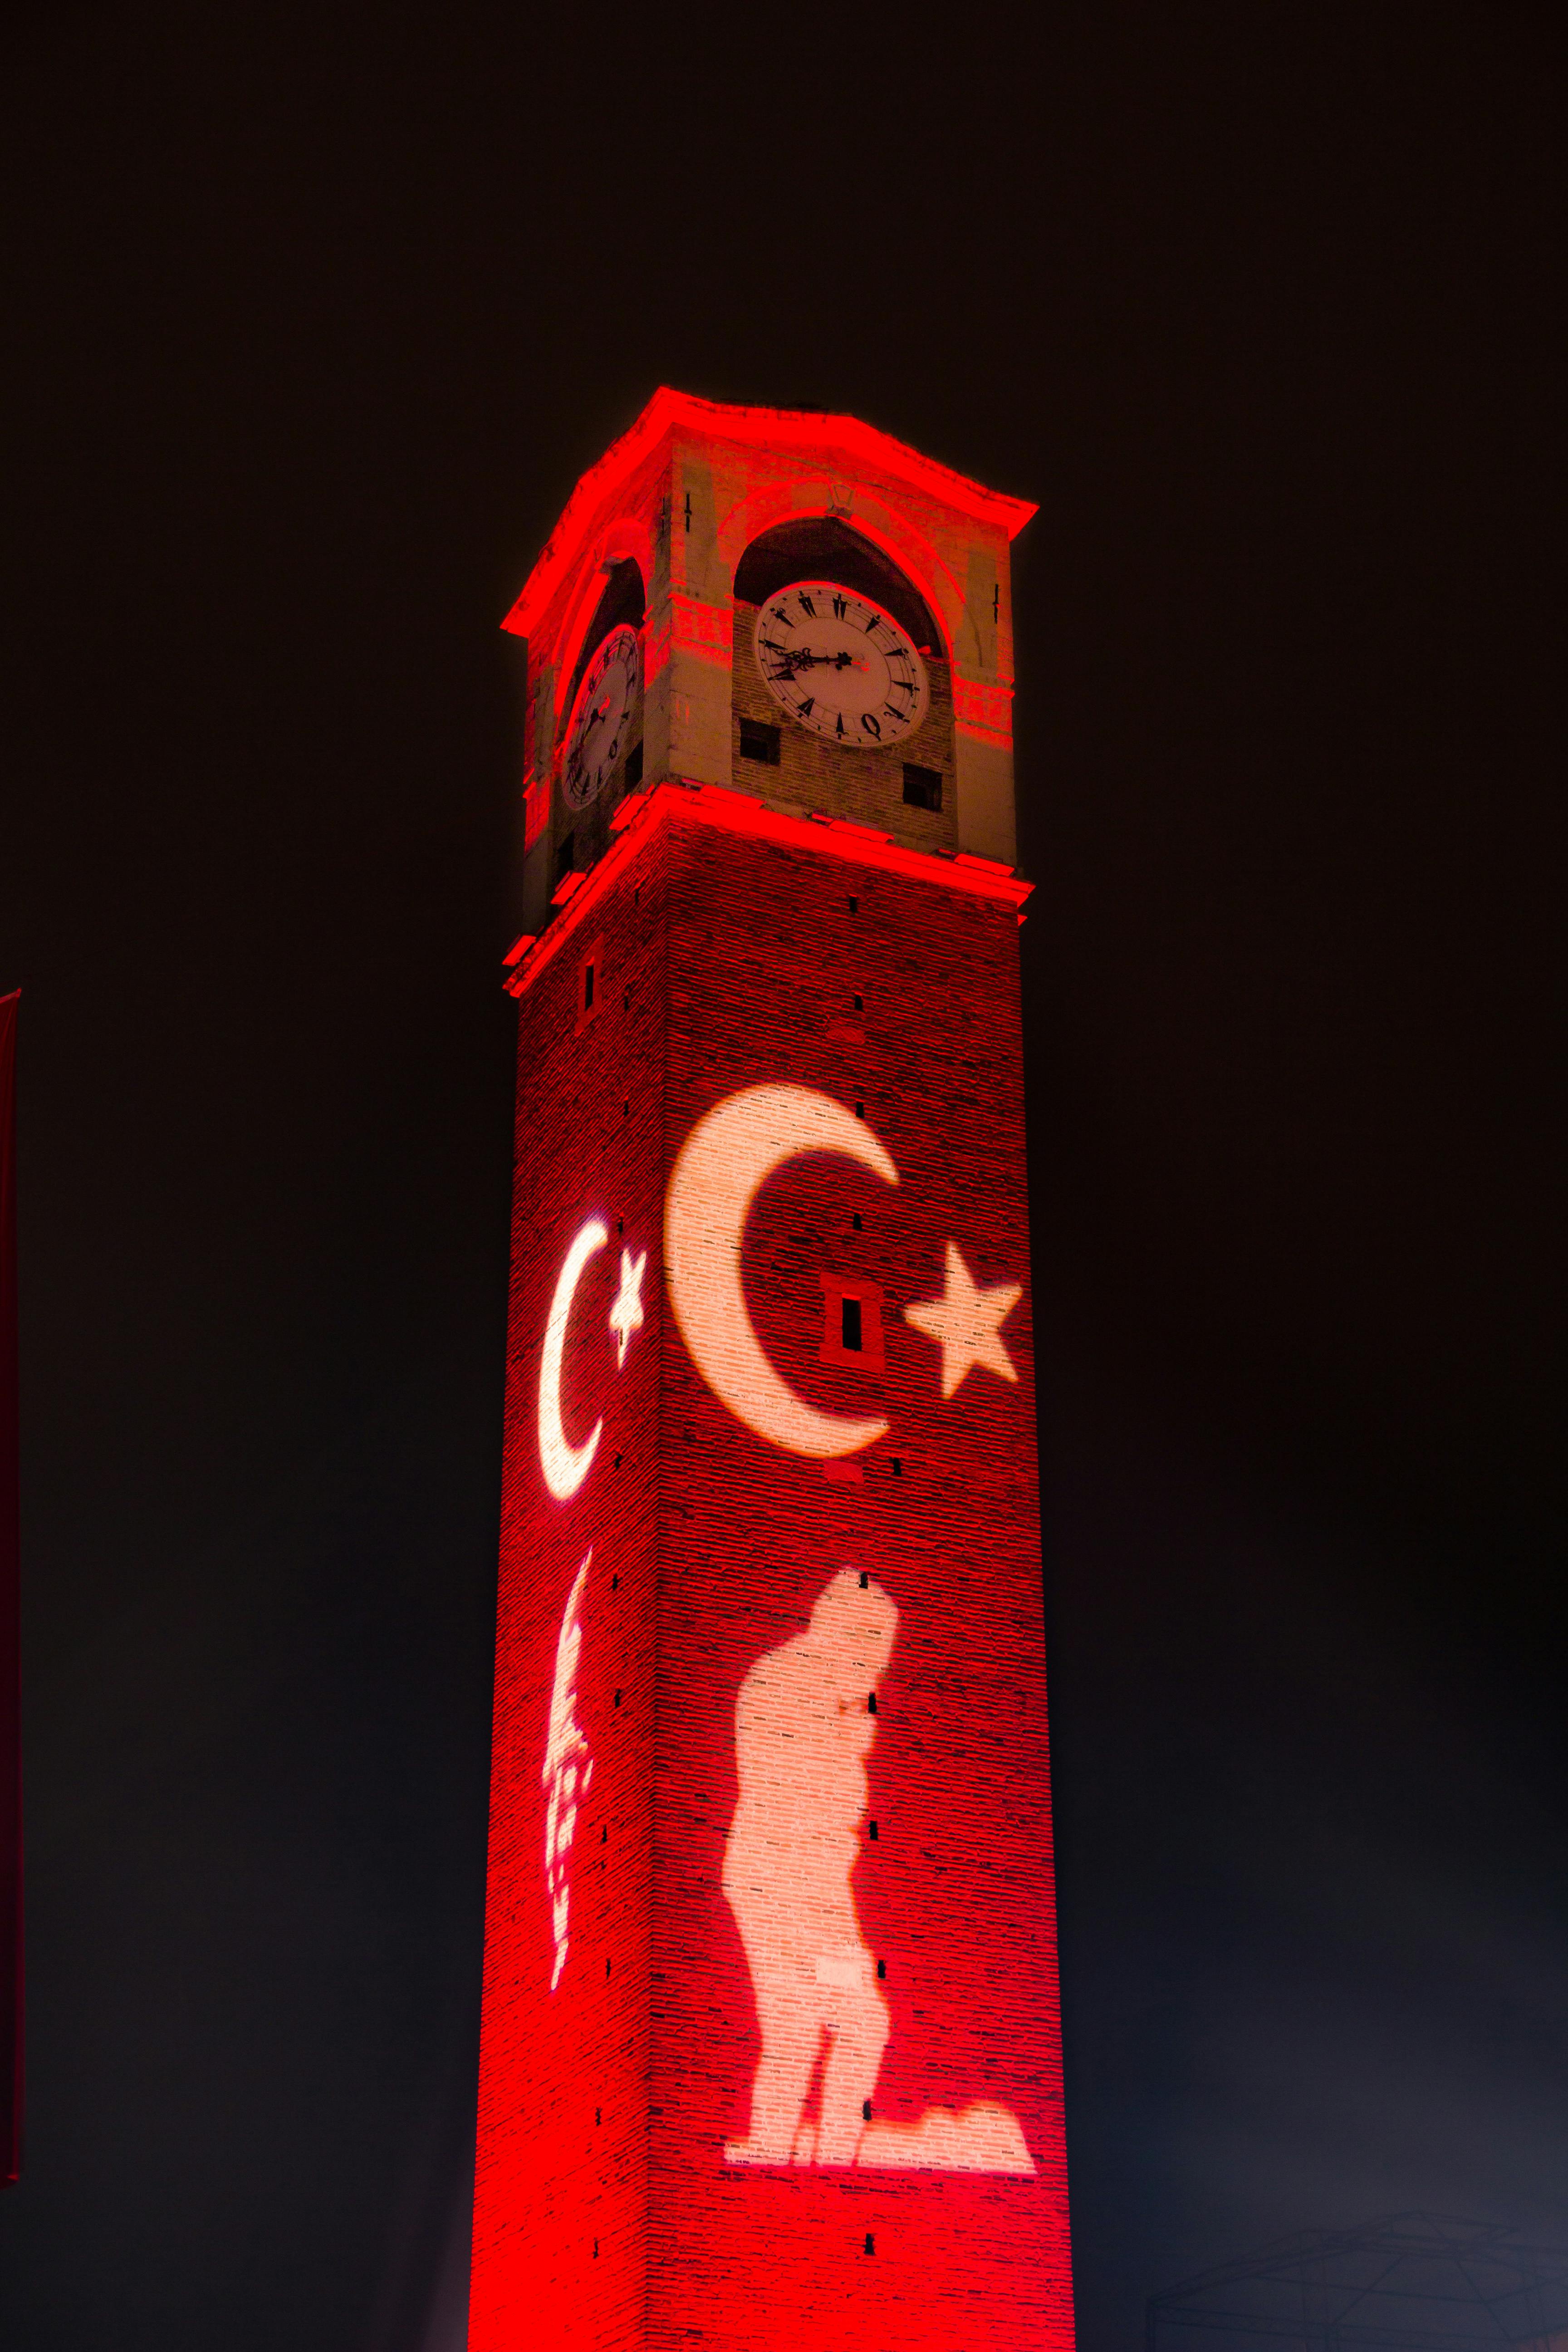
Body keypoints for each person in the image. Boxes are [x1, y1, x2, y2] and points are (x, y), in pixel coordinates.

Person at [722, 1569, 896, 2166]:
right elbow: (797, 1793)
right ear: (845, 1632)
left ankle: (785, 2152)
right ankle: (829, 2160)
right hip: (789, 1887)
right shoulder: (792, 1683)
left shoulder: (799, 1681)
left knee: (801, 2026)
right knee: (856, 2023)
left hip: (796, 1883)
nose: (879, 1668)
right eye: (874, 1648)